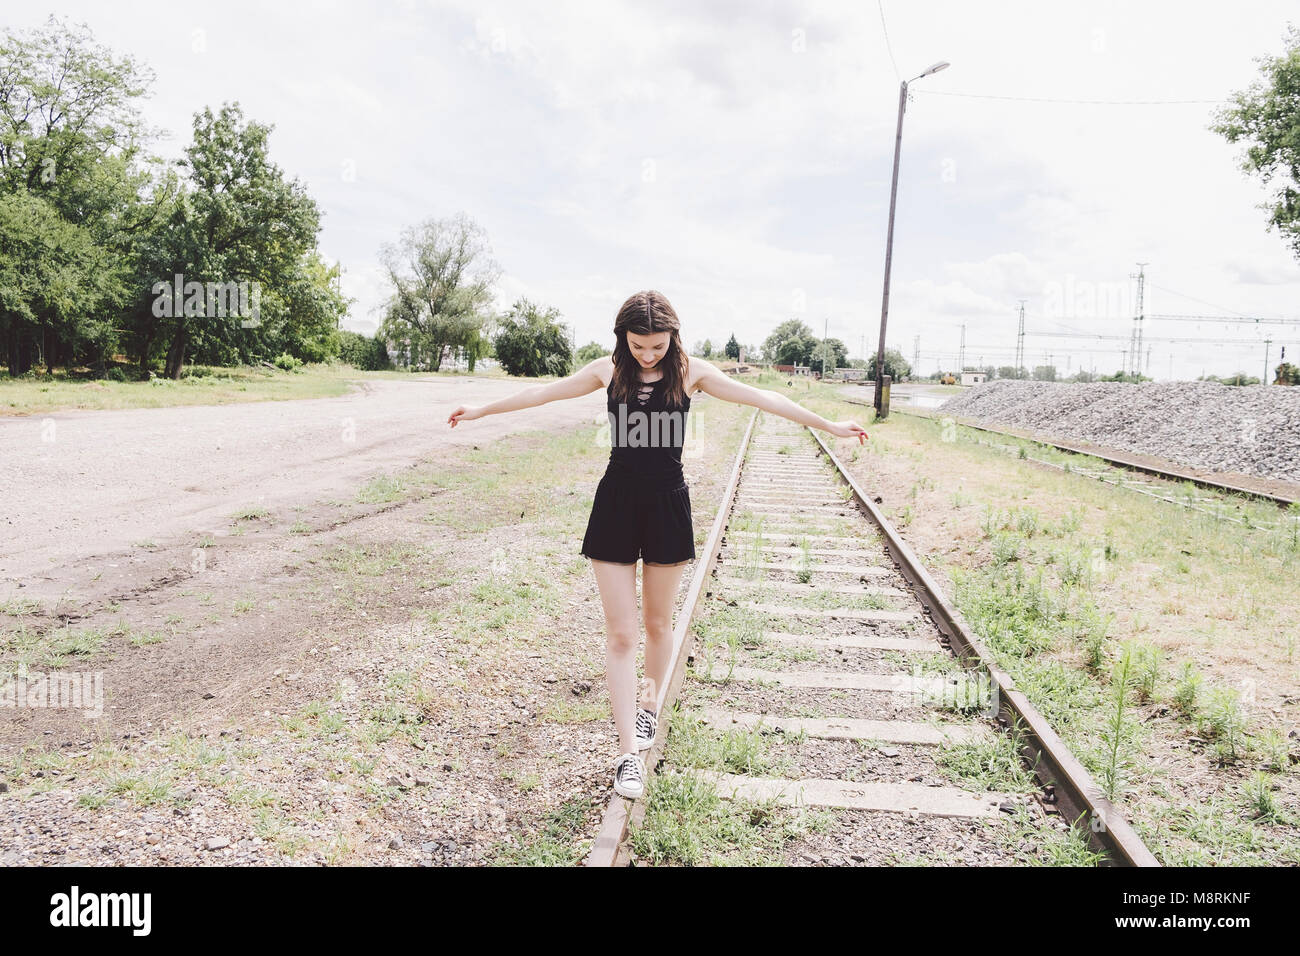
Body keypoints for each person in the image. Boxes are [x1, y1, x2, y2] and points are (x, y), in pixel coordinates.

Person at [447, 290, 867, 799]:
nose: (648, 355)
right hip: (616, 505)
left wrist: (827, 425)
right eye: (639, 345)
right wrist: (481, 410)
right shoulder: (607, 370)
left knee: (657, 625)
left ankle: (648, 711)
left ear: (673, 337)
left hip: (668, 505)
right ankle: (627, 755)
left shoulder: (691, 371)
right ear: (623, 337)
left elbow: (765, 399)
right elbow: (545, 393)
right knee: (621, 635)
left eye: (658, 346)